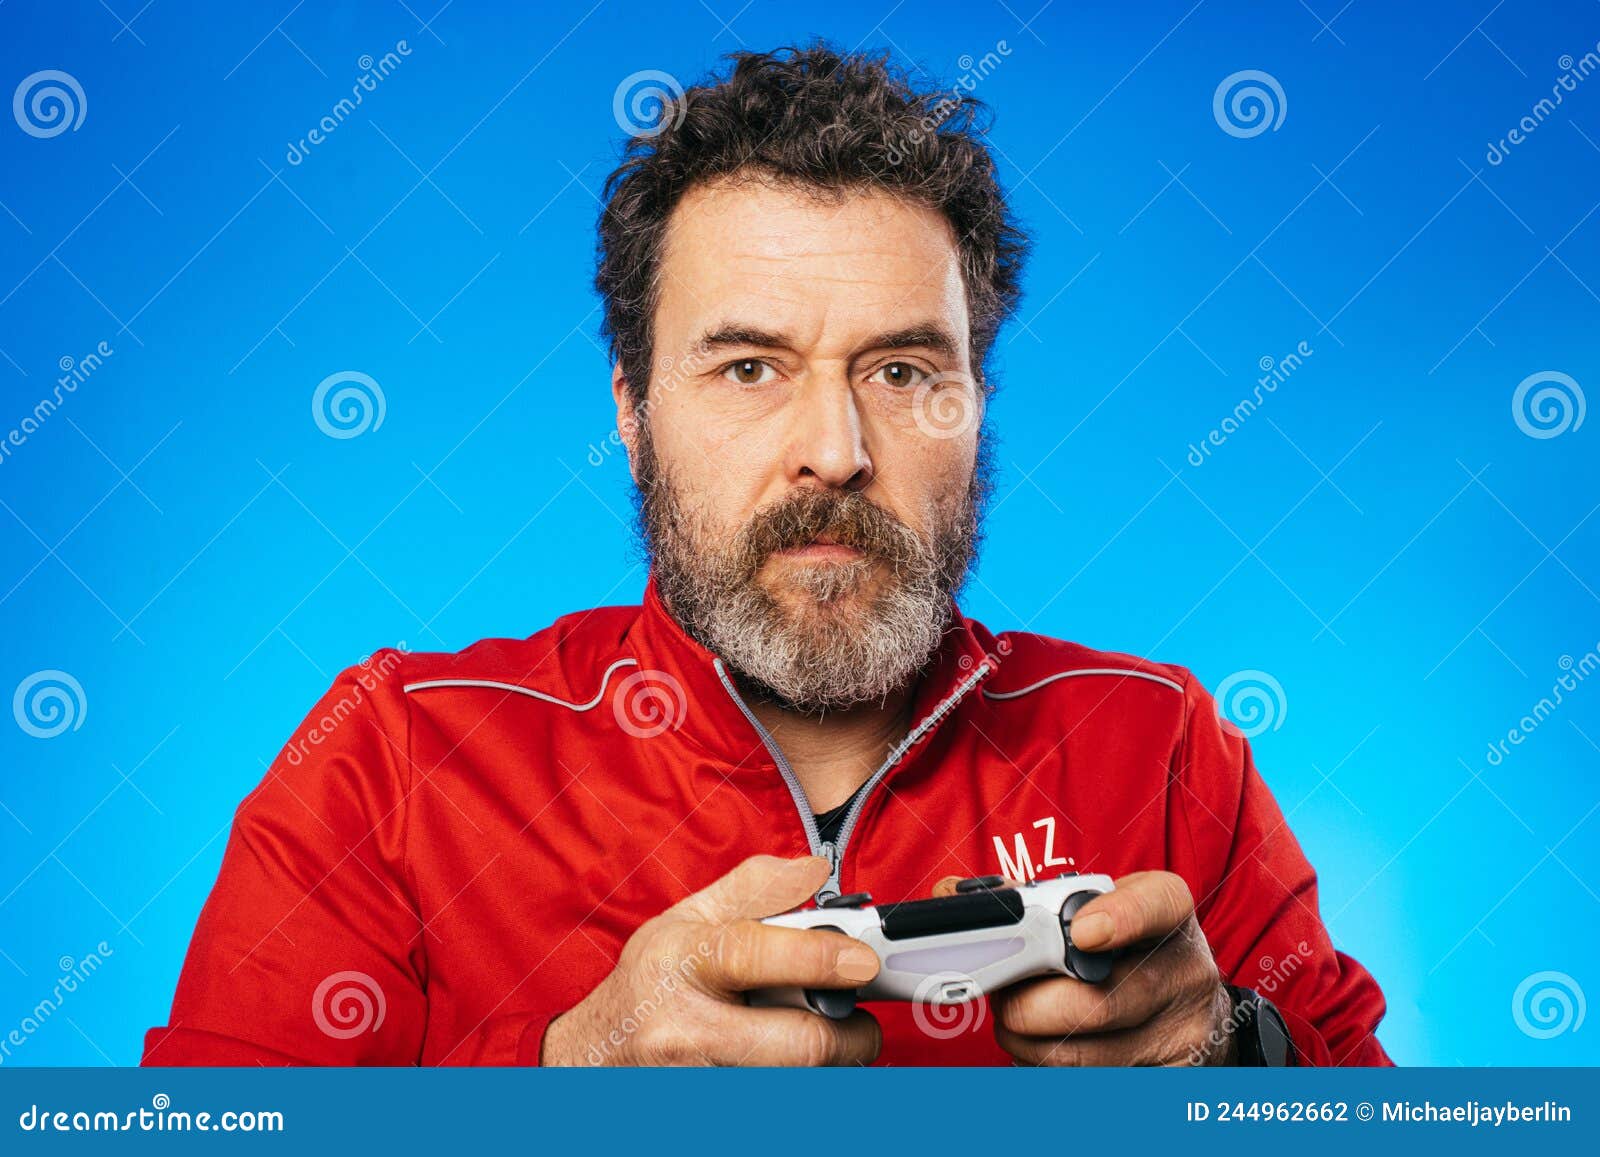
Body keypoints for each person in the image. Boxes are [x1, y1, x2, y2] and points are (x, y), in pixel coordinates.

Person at [143, 44, 1390, 1067]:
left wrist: (1231, 1053)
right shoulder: (392, 758)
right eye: (749, 367)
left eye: (900, 369)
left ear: (975, 404)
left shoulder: (1159, 747)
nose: (833, 452)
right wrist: (562, 1079)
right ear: (632, 412)